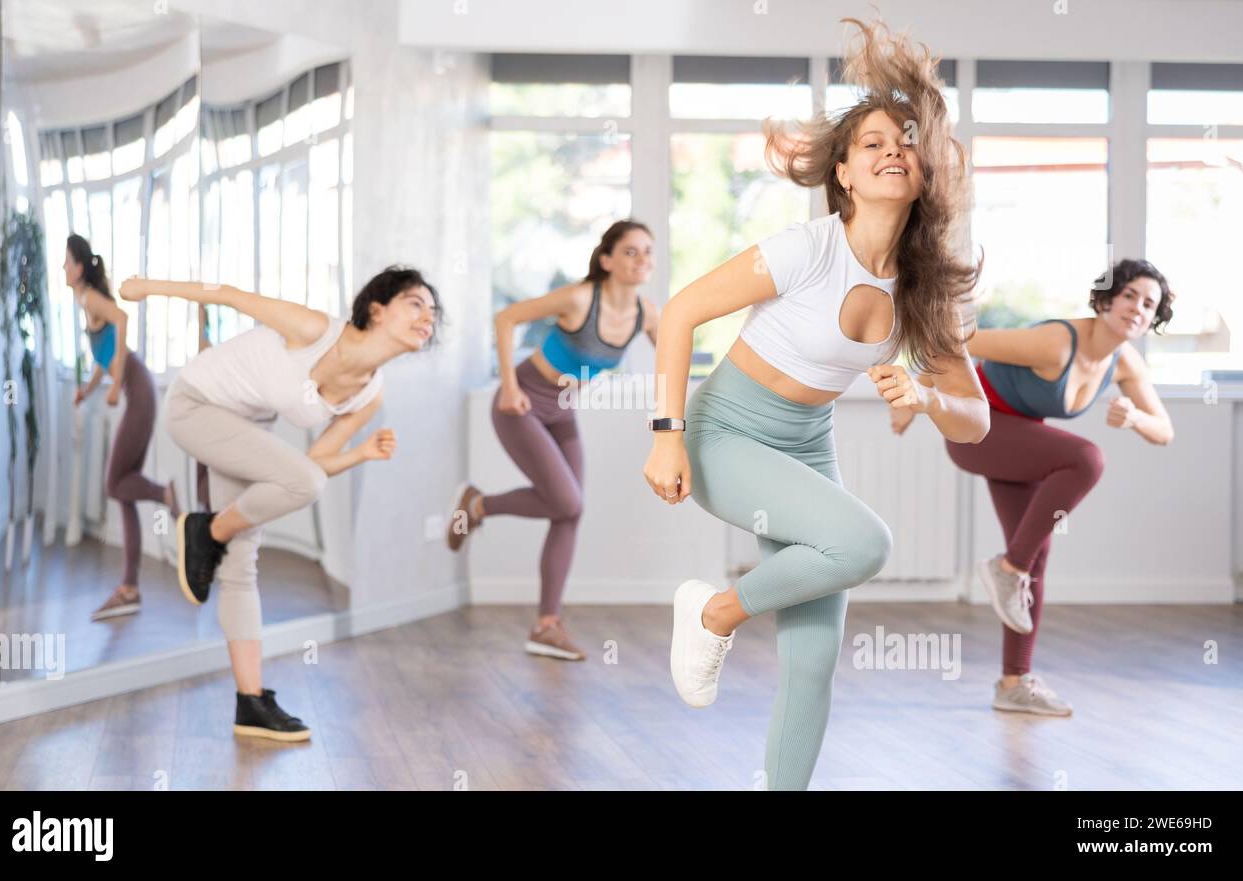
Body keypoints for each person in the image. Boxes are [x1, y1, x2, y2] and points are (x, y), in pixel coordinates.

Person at [642, 19, 990, 790]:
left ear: (926, 172)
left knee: (814, 658)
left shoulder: (924, 294)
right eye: (871, 142)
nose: (893, 148)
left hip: (805, 447)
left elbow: (978, 420)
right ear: (843, 173)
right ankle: (714, 614)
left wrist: (929, 396)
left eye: (906, 139)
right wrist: (667, 435)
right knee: (864, 542)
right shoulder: (808, 249)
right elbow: (680, 311)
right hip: (725, 436)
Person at [120, 266, 440, 741]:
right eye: (416, 304)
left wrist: (361, 453)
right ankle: (208, 530)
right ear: (376, 309)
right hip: (196, 404)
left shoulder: (370, 395)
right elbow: (228, 292)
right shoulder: (314, 329)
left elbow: (310, 466)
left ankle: (250, 703)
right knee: (282, 498)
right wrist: (147, 288)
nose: (427, 318)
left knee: (241, 564)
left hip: (247, 429)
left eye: (433, 312)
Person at [899, 259, 1175, 716]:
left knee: (1035, 557)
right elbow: (954, 341)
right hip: (978, 430)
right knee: (1086, 458)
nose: (1138, 308)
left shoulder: (1125, 362)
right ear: (1106, 299)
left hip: (1019, 440)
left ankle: (1014, 682)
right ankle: (1007, 570)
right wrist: (920, 396)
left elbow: (1164, 430)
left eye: (1149, 304)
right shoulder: (1054, 342)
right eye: (1130, 296)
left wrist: (1136, 418)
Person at [448, 221, 659, 661]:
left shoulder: (645, 313)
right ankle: (477, 506)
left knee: (568, 513)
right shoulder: (581, 298)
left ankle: (546, 625)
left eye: (647, 251)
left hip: (563, 411)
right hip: (521, 404)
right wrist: (508, 387)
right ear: (607, 260)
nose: (642, 260)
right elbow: (506, 318)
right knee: (569, 502)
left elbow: (672, 355)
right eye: (631, 252)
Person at [65, 234, 179, 622]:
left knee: (115, 483)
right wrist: (91, 387)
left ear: (79, 268)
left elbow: (123, 318)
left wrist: (115, 384)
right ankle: (129, 587)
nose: (63, 269)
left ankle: (168, 494)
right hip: (135, 390)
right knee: (123, 488)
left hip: (138, 388)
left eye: (66, 262)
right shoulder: (85, 303)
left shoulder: (89, 298)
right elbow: (103, 354)